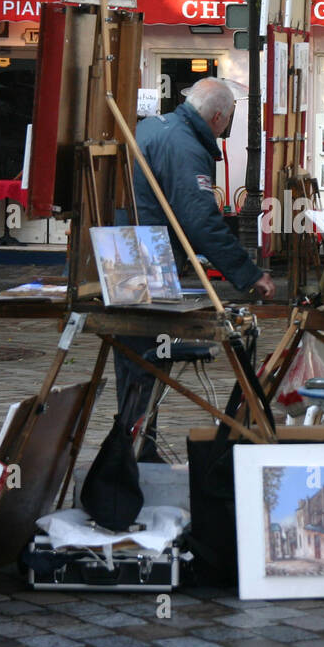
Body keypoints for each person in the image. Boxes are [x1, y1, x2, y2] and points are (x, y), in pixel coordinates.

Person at [116, 78, 276, 456]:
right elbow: (200, 220)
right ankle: (132, 453)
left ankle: (139, 447)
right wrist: (249, 274)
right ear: (218, 117)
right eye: (229, 119)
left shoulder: (157, 127)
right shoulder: (185, 146)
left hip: (127, 253)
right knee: (144, 361)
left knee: (137, 362)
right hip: (142, 260)